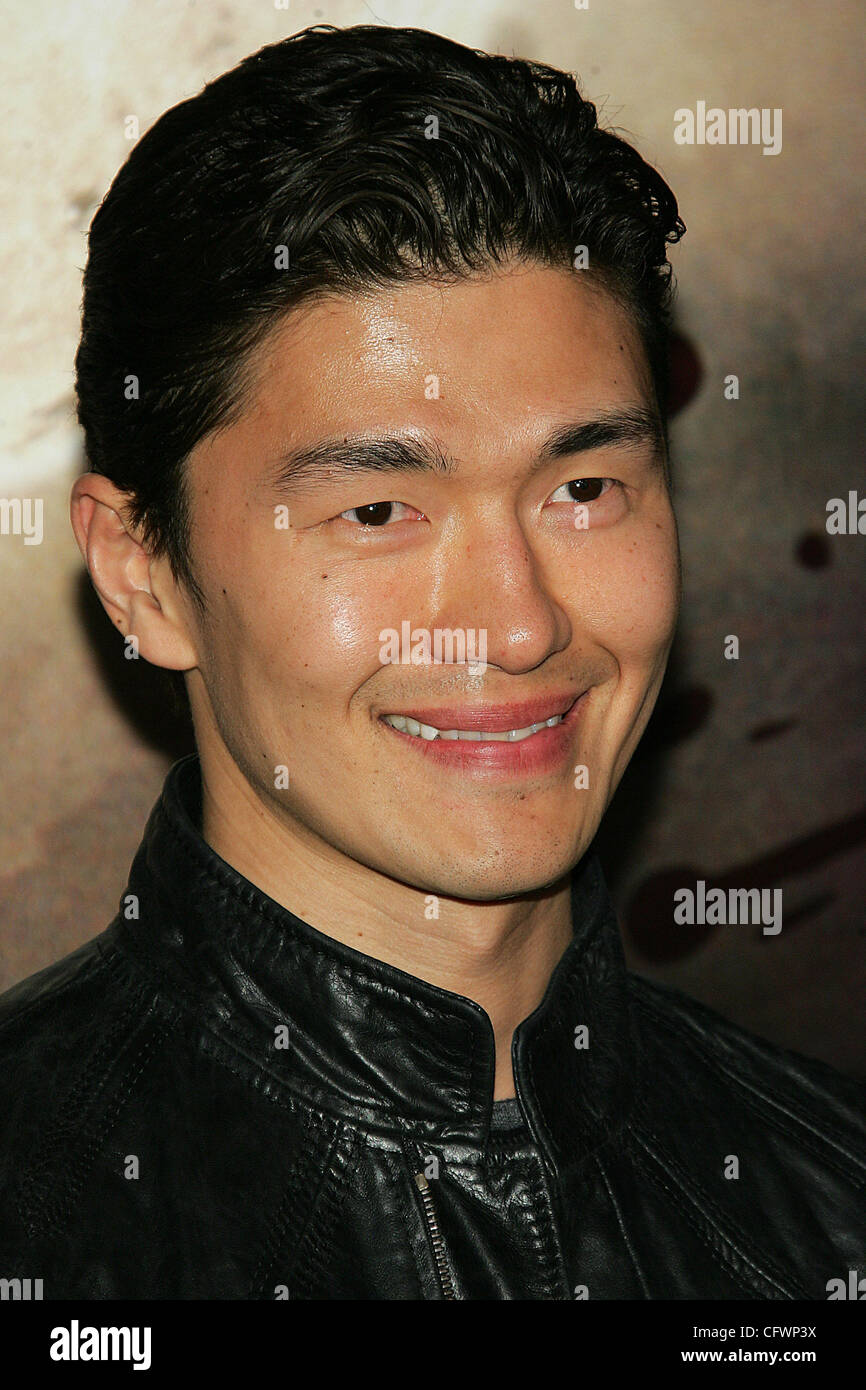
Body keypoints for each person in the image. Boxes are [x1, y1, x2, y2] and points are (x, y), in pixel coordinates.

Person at [0, 23, 863, 1301]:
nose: (516, 627)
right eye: (377, 511)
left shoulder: (830, 1202)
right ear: (145, 575)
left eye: (581, 486)